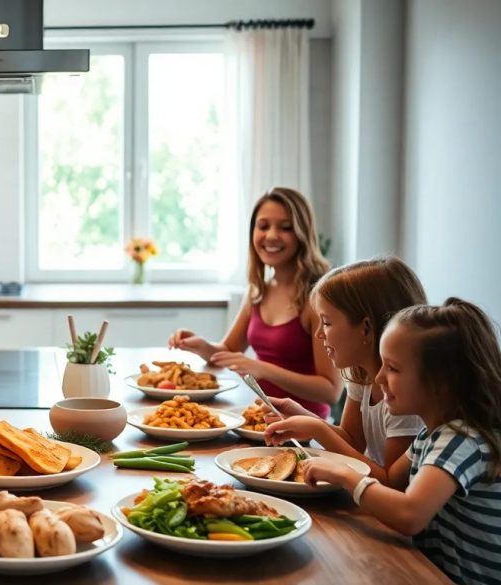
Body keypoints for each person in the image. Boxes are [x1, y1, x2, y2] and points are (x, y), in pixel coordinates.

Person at [302, 299, 501, 585]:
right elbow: (390, 482)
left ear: (442, 381)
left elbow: (410, 515)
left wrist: (346, 476)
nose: (380, 377)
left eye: (393, 368)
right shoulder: (430, 434)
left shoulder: (460, 438)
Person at [168, 187, 341, 418]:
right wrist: (202, 346)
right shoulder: (258, 292)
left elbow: (331, 391)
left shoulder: (319, 297)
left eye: (285, 227)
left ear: (302, 233)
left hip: (307, 430)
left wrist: (262, 369)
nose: (271, 235)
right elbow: (229, 351)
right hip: (261, 421)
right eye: (263, 226)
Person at [262, 257, 426, 484]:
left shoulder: (404, 398)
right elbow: (352, 441)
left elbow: (391, 483)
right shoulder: (363, 377)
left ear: (366, 329)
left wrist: (318, 429)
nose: (319, 334)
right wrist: (303, 415)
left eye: (327, 323)